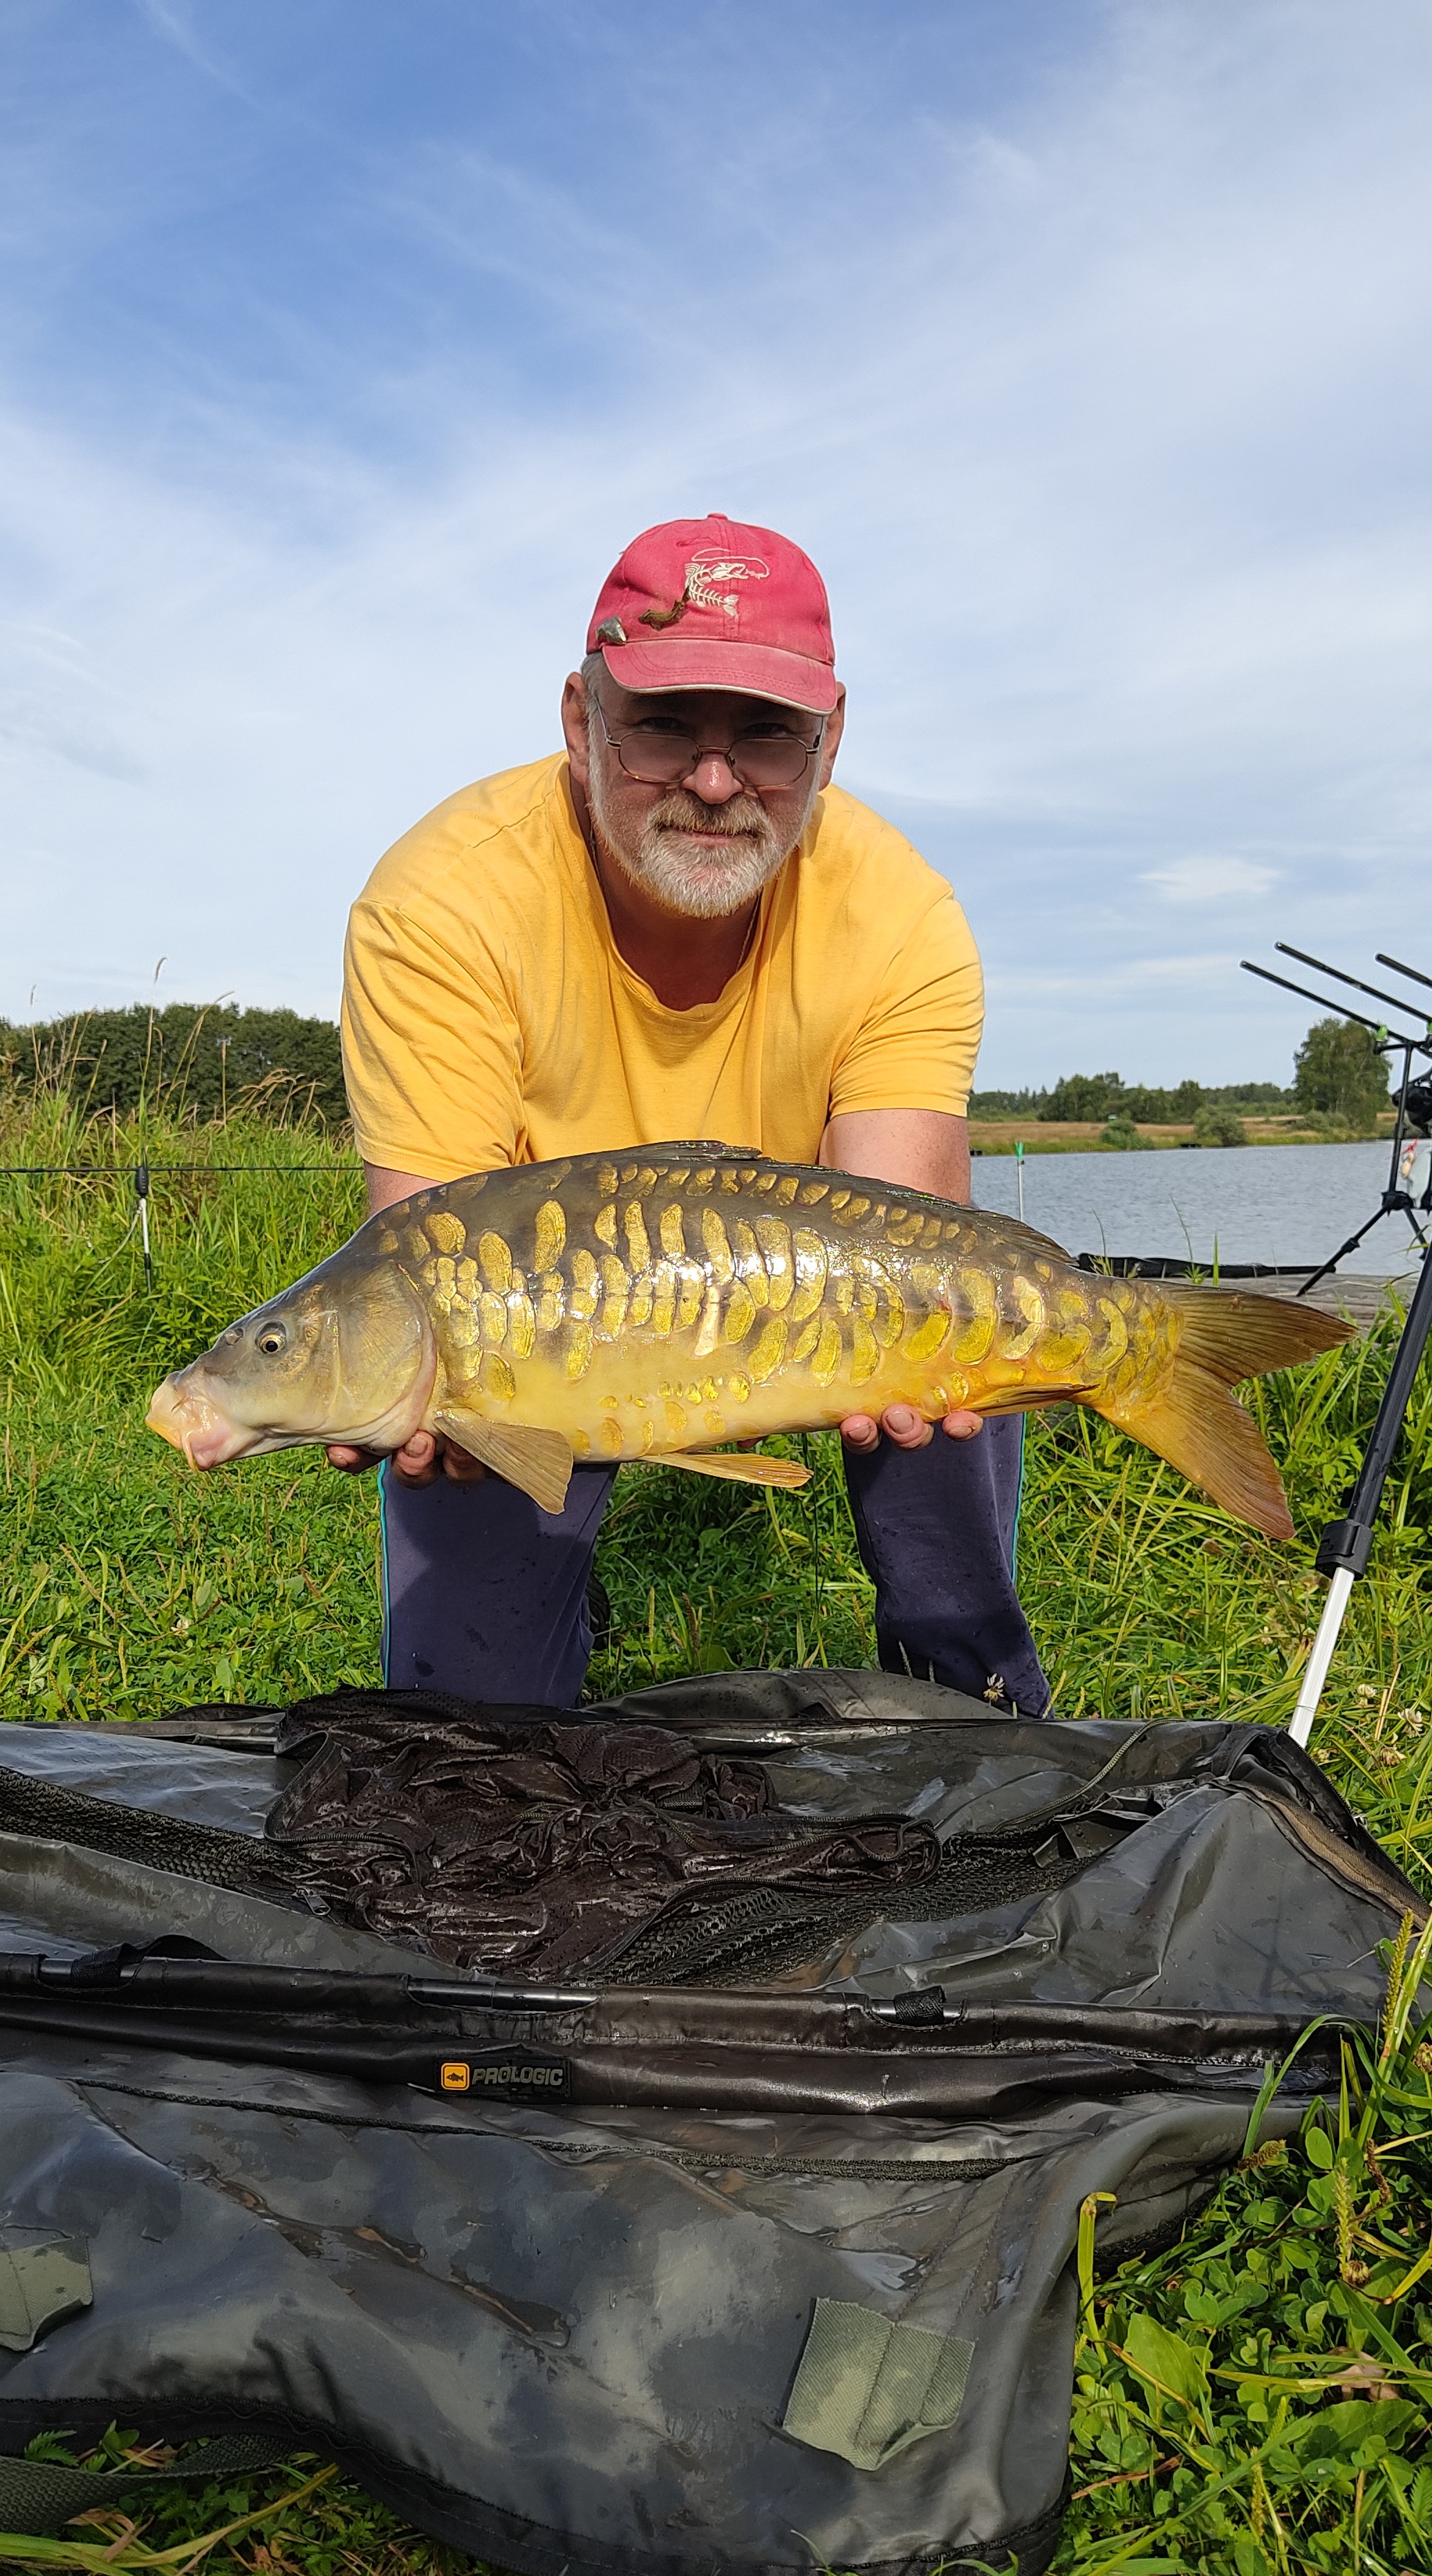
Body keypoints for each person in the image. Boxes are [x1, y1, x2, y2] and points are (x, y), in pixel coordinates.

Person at [332, 513, 1049, 1716]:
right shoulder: (439, 904)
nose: (714, 785)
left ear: (827, 746)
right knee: (470, 1708)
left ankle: (979, 1725)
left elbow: (908, 1225)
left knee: (955, 1372)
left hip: (801, 1273)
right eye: (664, 725)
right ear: (580, 720)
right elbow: (431, 1267)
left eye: (765, 736)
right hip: (547, 1298)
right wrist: (413, 1392)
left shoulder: (900, 911)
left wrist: (922, 1350)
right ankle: (501, 1712)